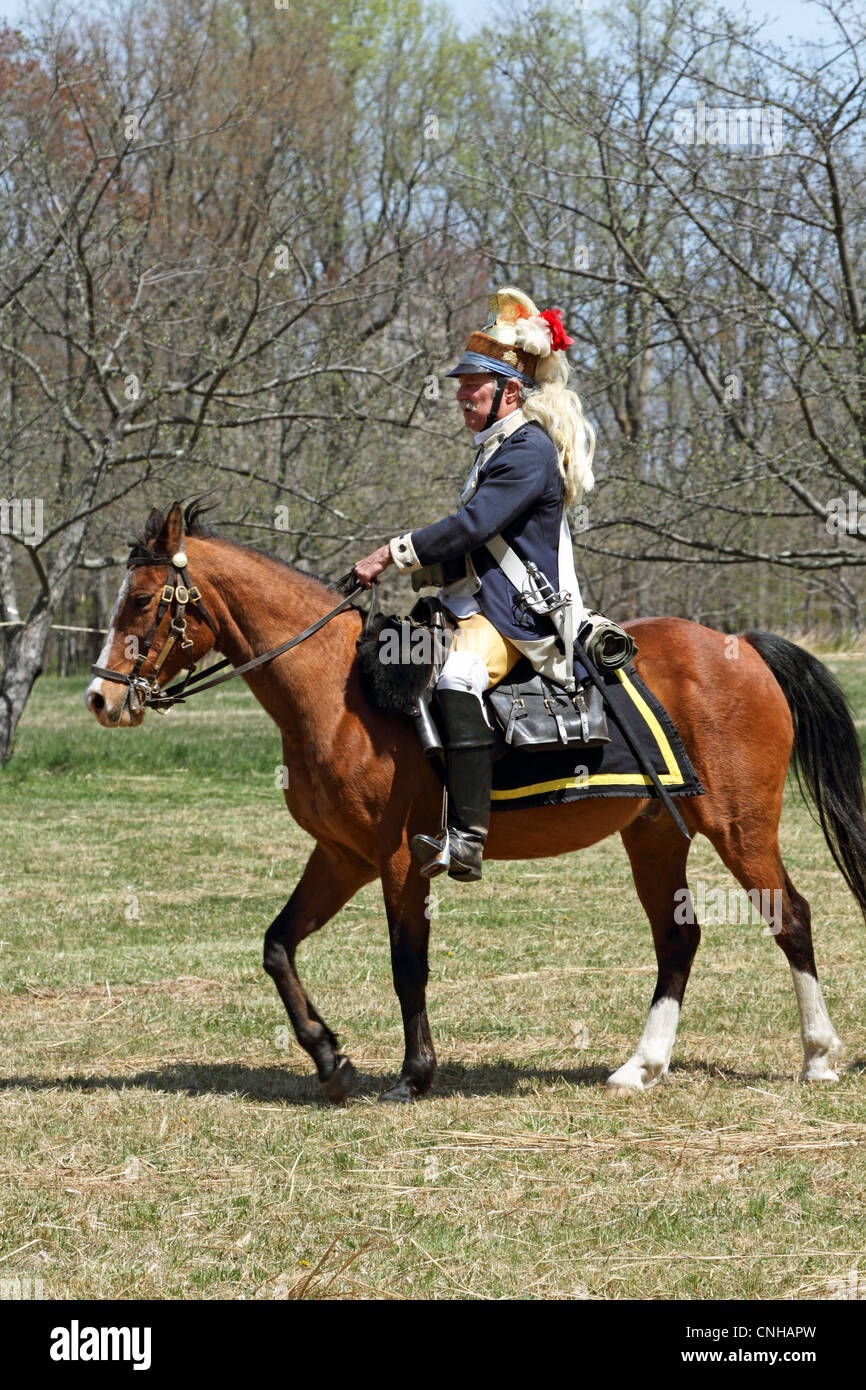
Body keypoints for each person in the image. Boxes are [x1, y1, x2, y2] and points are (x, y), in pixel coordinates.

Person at [353, 286, 596, 881]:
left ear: (508, 392)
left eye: (472, 386)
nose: (461, 395)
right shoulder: (495, 449)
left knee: (459, 675)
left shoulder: (526, 452)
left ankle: (467, 837)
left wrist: (394, 551)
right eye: (461, 386)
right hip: (475, 604)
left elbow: (472, 527)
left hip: (517, 615)